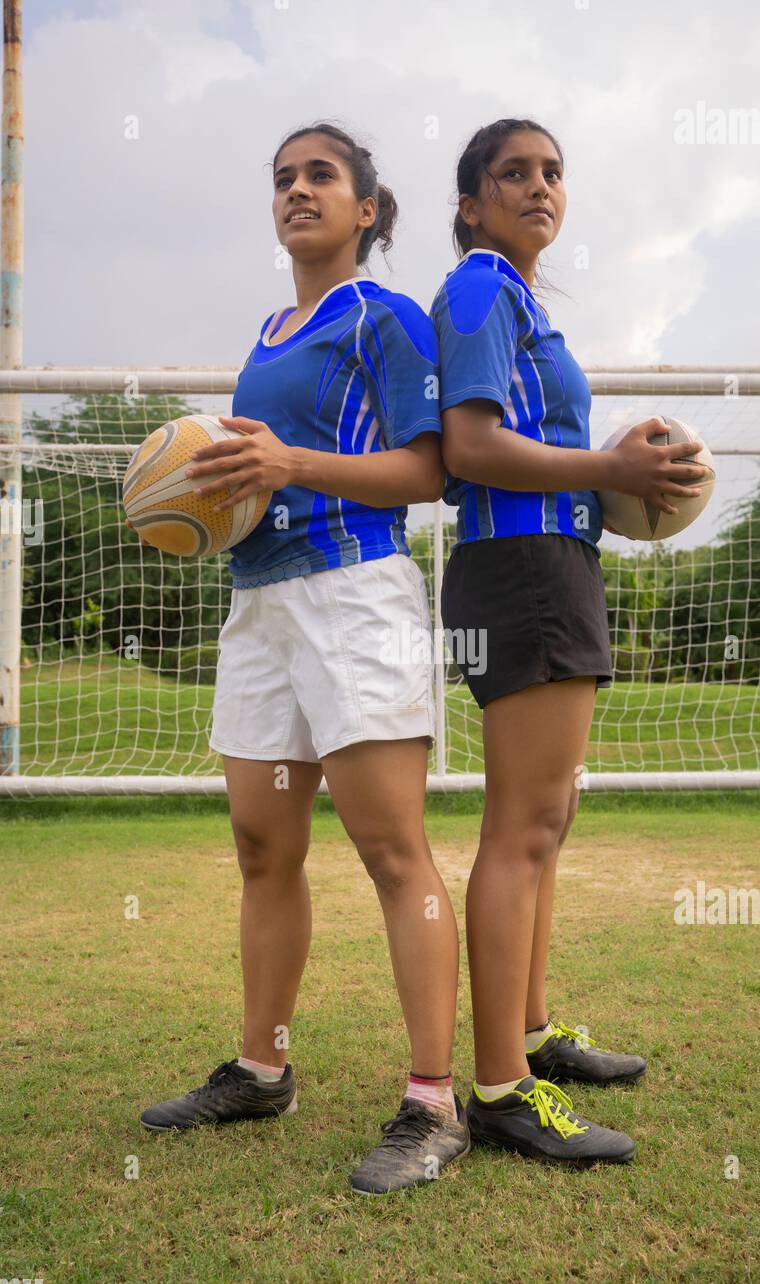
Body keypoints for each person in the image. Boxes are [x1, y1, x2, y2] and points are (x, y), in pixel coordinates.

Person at [137, 122, 468, 1195]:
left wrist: (289, 461)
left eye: (320, 175)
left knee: (389, 849)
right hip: (261, 606)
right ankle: (260, 1066)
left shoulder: (384, 316)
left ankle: (432, 1101)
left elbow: (429, 471)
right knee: (259, 848)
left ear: (366, 209)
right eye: (282, 178)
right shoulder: (268, 333)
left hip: (353, 599)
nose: (297, 190)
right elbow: (257, 476)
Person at [431, 118, 710, 1166]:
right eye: (513, 173)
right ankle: (501, 1089)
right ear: (471, 202)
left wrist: (610, 480)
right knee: (520, 826)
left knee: (550, 818)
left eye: (551, 172)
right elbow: (467, 444)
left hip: (554, 568)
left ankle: (534, 1034)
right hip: (520, 573)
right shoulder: (475, 289)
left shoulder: (518, 300)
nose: (538, 186)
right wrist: (606, 470)